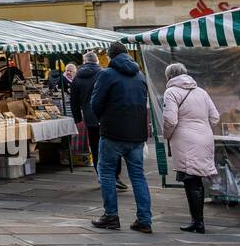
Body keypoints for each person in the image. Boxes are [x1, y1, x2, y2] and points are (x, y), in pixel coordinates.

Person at [89, 42, 152, 232]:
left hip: (113, 132)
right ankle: (144, 219)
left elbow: (95, 103)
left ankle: (111, 216)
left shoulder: (107, 74)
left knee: (106, 172)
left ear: (110, 56)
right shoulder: (140, 75)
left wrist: (103, 119)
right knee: (138, 175)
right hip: (136, 133)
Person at [161, 62, 219, 234]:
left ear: (169, 76)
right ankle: (197, 221)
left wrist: (167, 135)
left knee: (191, 179)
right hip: (205, 138)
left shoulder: (171, 92)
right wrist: (203, 129)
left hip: (185, 140)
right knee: (196, 178)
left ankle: (198, 222)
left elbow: (170, 120)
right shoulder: (201, 91)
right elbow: (215, 117)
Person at [69, 51, 125, 189]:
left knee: (95, 147)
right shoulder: (104, 73)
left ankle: (101, 174)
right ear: (97, 61)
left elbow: (73, 101)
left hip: (89, 117)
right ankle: (115, 175)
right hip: (105, 116)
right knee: (112, 145)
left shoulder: (77, 78)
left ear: (84, 62)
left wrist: (77, 118)